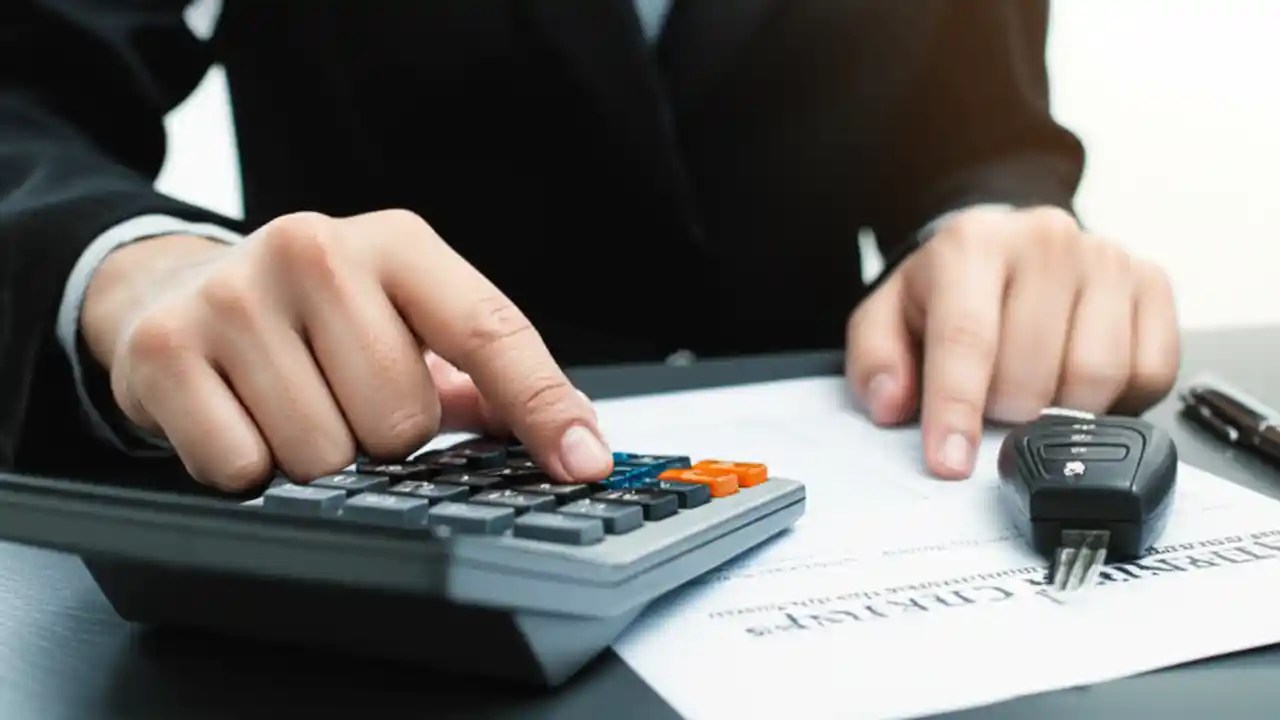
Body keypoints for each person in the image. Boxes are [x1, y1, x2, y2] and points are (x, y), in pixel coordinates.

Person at [0, 0, 1178, 492]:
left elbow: (979, 132)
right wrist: (136, 261)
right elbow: (25, 93)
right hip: (379, 526)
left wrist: (992, 223)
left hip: (854, 488)